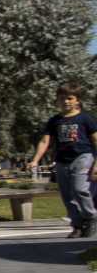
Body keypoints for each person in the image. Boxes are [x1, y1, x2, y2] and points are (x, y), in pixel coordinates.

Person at [29, 81, 97, 238]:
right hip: (61, 160)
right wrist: (35, 160)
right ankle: (77, 225)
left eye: (70, 98)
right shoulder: (54, 121)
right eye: (62, 98)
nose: (65, 101)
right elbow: (45, 141)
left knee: (80, 189)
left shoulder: (85, 119)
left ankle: (91, 216)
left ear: (77, 100)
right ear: (57, 100)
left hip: (83, 156)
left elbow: (95, 140)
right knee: (67, 195)